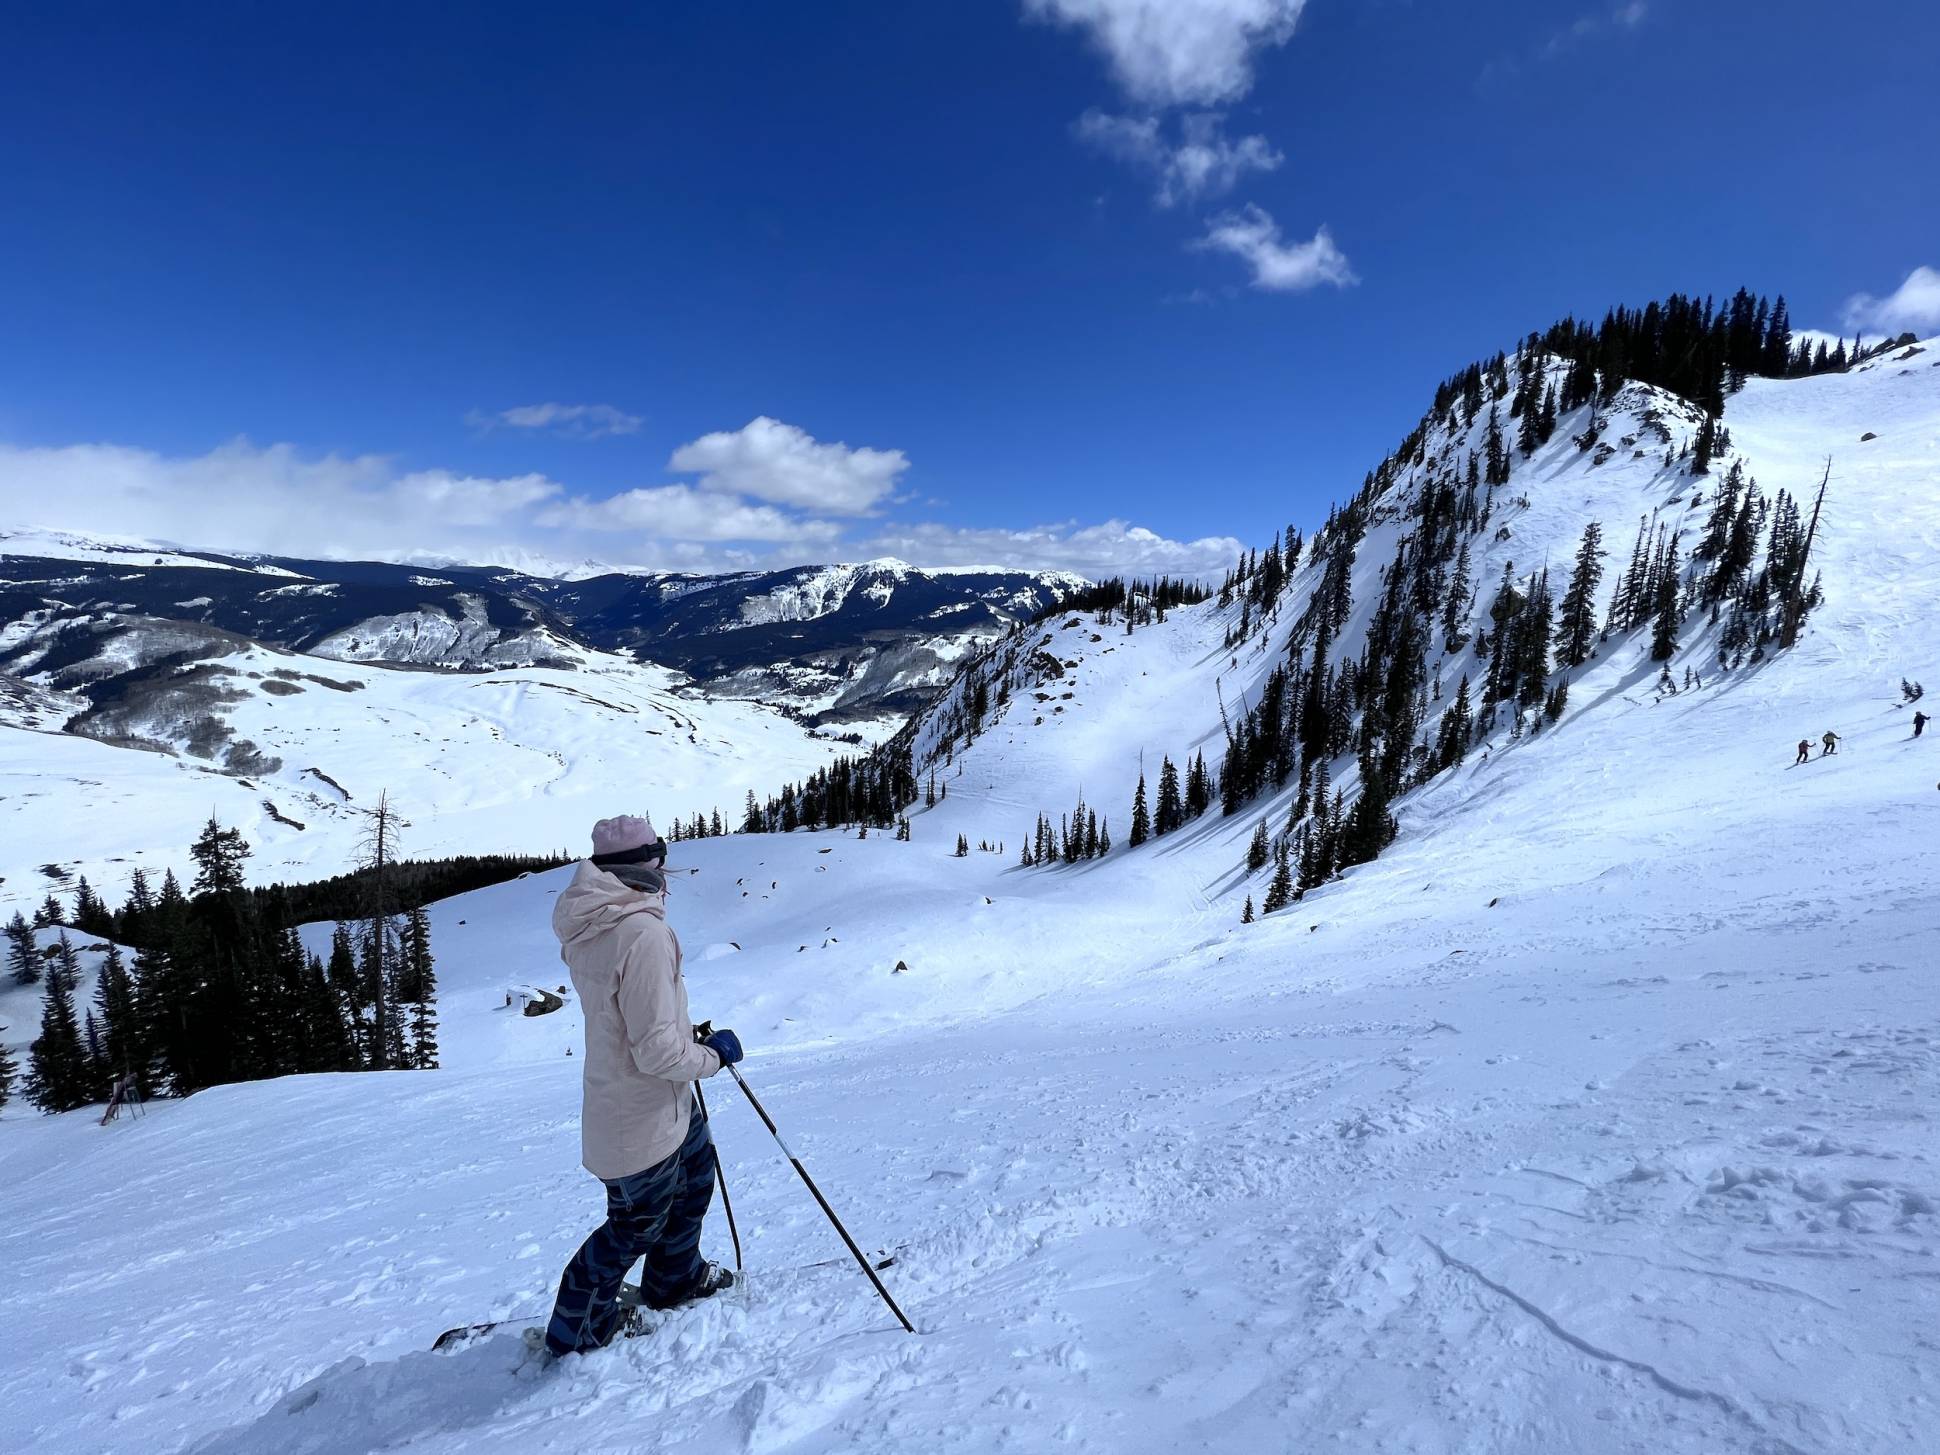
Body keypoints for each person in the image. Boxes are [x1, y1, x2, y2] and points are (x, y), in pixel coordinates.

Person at [540, 814, 745, 1359]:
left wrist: (680, 1036)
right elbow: (656, 1052)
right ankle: (579, 1327)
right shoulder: (642, 933)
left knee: (695, 1181)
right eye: (660, 858)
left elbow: (632, 1018)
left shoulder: (595, 920)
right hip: (641, 1113)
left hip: (652, 1101)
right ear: (646, 866)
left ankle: (675, 1280)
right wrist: (714, 1056)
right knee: (636, 1225)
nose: (666, 870)